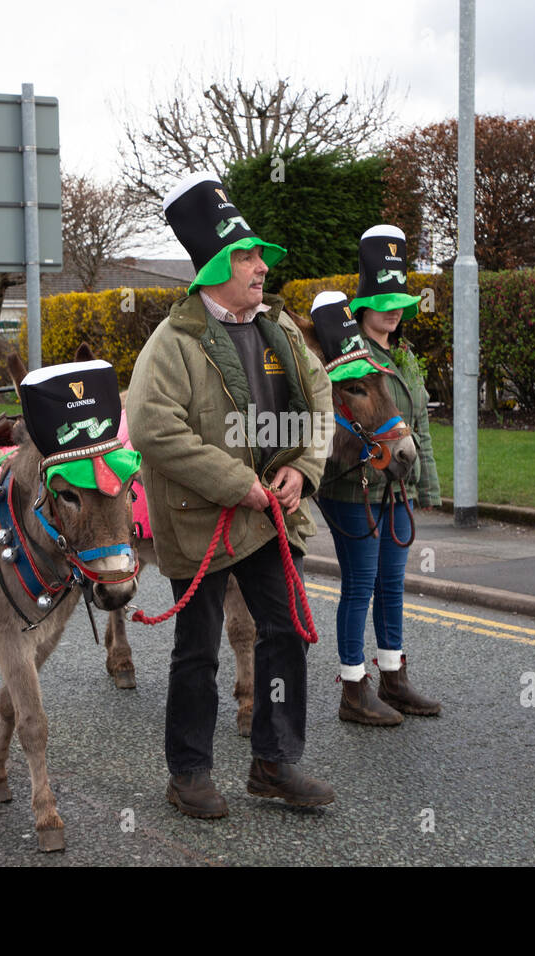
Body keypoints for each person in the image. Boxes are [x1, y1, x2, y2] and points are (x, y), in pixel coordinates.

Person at [126, 171, 335, 817]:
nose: (259, 268)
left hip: (271, 515)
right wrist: (235, 483)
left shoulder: (282, 330)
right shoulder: (171, 343)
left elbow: (320, 400)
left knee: (287, 633)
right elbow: (154, 428)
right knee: (199, 650)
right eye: (244, 257)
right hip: (202, 520)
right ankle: (188, 774)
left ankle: (273, 765)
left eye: (259, 256)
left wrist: (303, 467)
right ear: (213, 266)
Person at [316, 225, 443, 725]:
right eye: (383, 300)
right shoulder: (344, 358)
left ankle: (393, 677)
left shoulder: (405, 358)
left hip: (398, 488)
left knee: (392, 583)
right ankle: (353, 688)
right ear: (364, 303)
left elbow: (420, 424)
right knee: (360, 583)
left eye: (400, 301)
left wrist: (426, 485)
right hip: (353, 488)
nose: (393, 310)